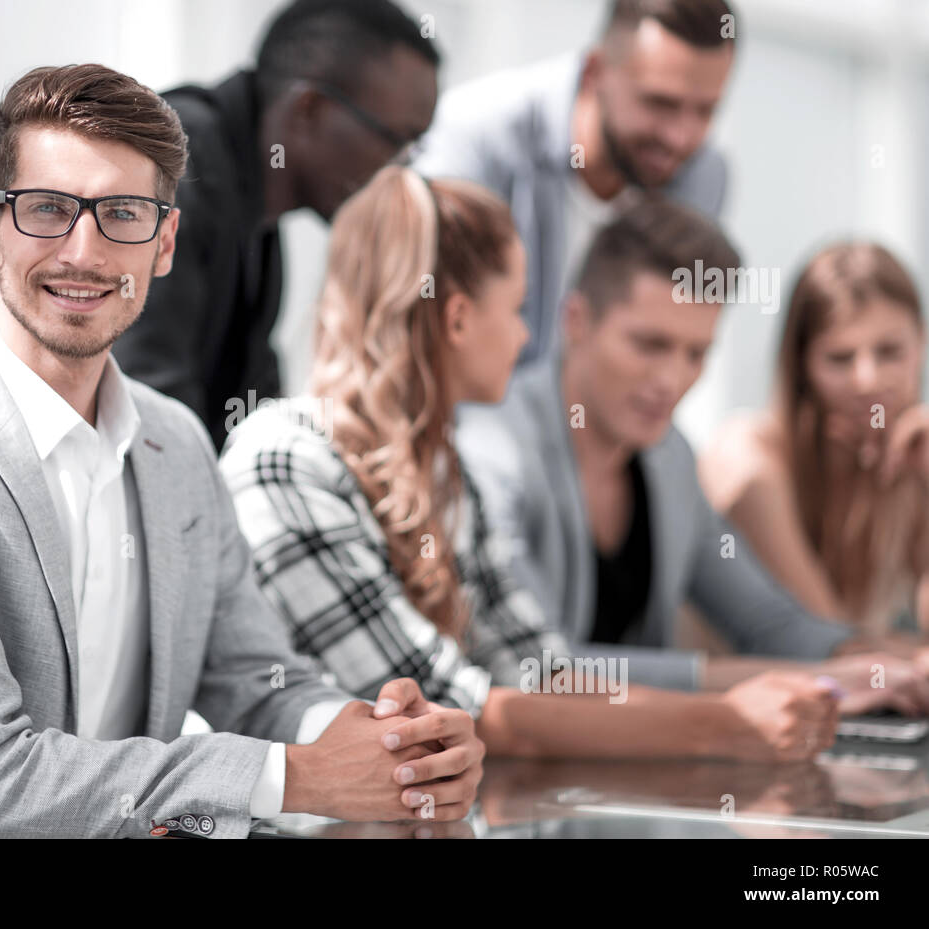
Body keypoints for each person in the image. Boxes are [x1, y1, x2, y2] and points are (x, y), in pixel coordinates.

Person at [0, 65, 484, 839]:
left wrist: (388, 743)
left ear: (165, 241)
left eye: (123, 214)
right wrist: (298, 776)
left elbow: (251, 679)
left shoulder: (175, 441)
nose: (85, 251)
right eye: (47, 209)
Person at [220, 165, 843, 762]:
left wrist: (756, 703)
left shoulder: (448, 475)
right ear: (459, 318)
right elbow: (437, 712)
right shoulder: (287, 459)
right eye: (516, 309)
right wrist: (725, 723)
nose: (524, 339)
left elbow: (545, 674)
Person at [454, 196, 929, 714]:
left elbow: (766, 620)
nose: (671, 381)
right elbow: (539, 667)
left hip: (635, 770)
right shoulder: (493, 453)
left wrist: (878, 666)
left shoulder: (669, 456)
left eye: (696, 353)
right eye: (650, 345)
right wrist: (789, 678)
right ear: (577, 321)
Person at [0, 0, 440, 450]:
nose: (403, 169)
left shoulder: (255, 215)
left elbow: (249, 423)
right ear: (308, 109)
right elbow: (145, 409)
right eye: (397, 139)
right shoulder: (187, 169)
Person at [412, 0, 734, 366]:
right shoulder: (477, 140)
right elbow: (422, 337)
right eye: (660, 103)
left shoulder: (703, 177)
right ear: (595, 72)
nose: (680, 137)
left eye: (706, 110)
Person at [701, 243, 929, 637]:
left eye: (890, 352)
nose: (867, 381)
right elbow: (834, 645)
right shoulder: (749, 462)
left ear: (921, 345)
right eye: (840, 359)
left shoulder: (911, 453)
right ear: (801, 364)